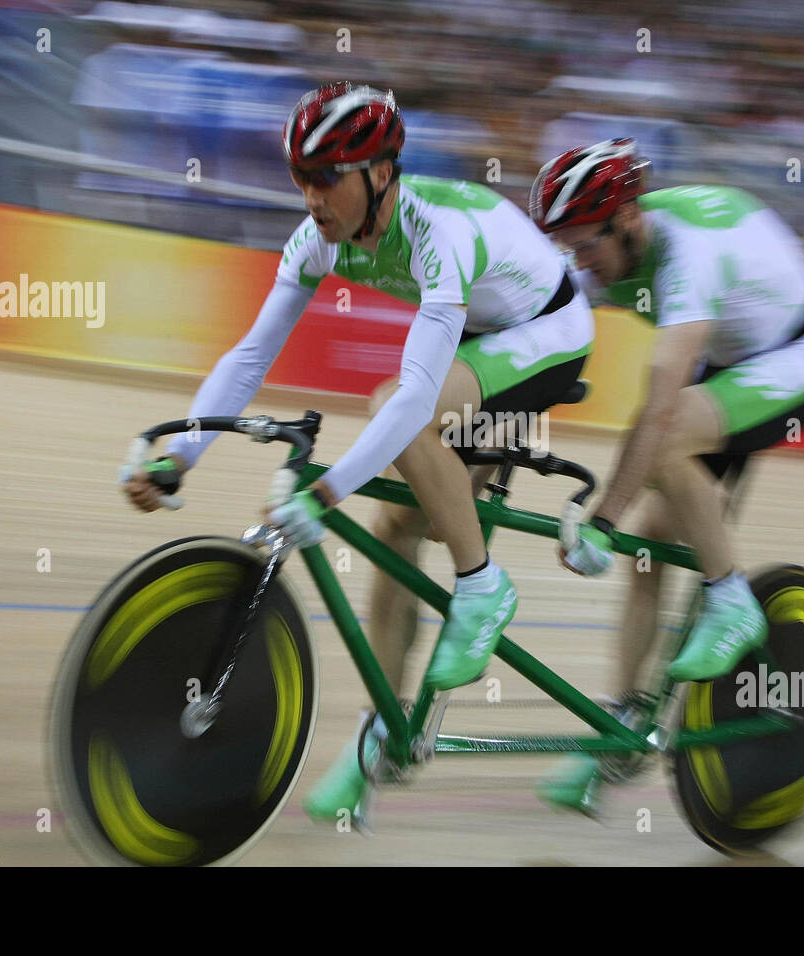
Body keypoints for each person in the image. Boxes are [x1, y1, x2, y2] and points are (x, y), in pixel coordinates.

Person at [121, 82, 593, 822]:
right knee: (400, 530)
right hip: (485, 335)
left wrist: (327, 490)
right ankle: (385, 732)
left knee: (394, 414)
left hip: (551, 333)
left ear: (379, 174)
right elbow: (251, 357)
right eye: (299, 178)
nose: (310, 198)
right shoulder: (319, 239)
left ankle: (483, 588)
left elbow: (409, 400)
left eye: (324, 178)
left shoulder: (437, 229)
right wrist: (181, 455)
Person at [530, 138, 804, 814]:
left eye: (587, 246)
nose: (580, 264)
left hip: (802, 354)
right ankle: (623, 730)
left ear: (627, 222)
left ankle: (730, 598)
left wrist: (603, 520)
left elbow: (660, 406)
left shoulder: (688, 255)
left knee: (666, 441)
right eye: (569, 249)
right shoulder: (611, 246)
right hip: (737, 358)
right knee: (650, 554)